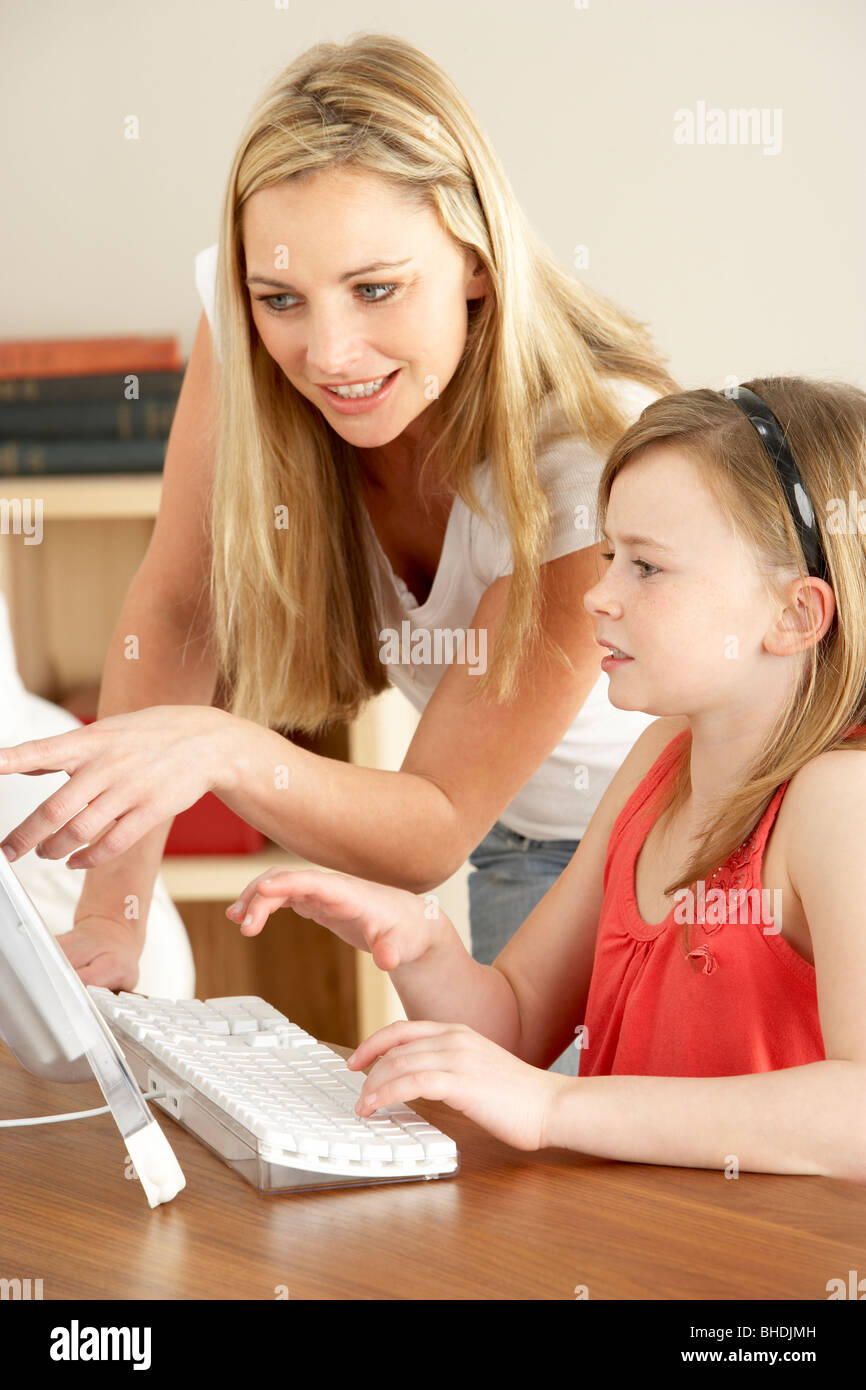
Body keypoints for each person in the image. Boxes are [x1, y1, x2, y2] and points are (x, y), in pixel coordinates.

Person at [0, 34, 676, 1075]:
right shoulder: (251, 320)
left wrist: (219, 746)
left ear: (475, 261)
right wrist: (112, 918)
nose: (328, 354)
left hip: (677, 856)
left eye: (375, 290)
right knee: (527, 1192)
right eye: (282, 301)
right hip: (521, 844)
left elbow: (431, 825)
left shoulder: (589, 460)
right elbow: (183, 605)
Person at [220, 377, 866, 1177]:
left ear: (796, 615)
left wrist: (553, 1105)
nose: (598, 593)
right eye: (608, 556)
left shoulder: (841, 805)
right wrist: (419, 945)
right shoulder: (659, 764)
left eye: (647, 568)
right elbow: (518, 1024)